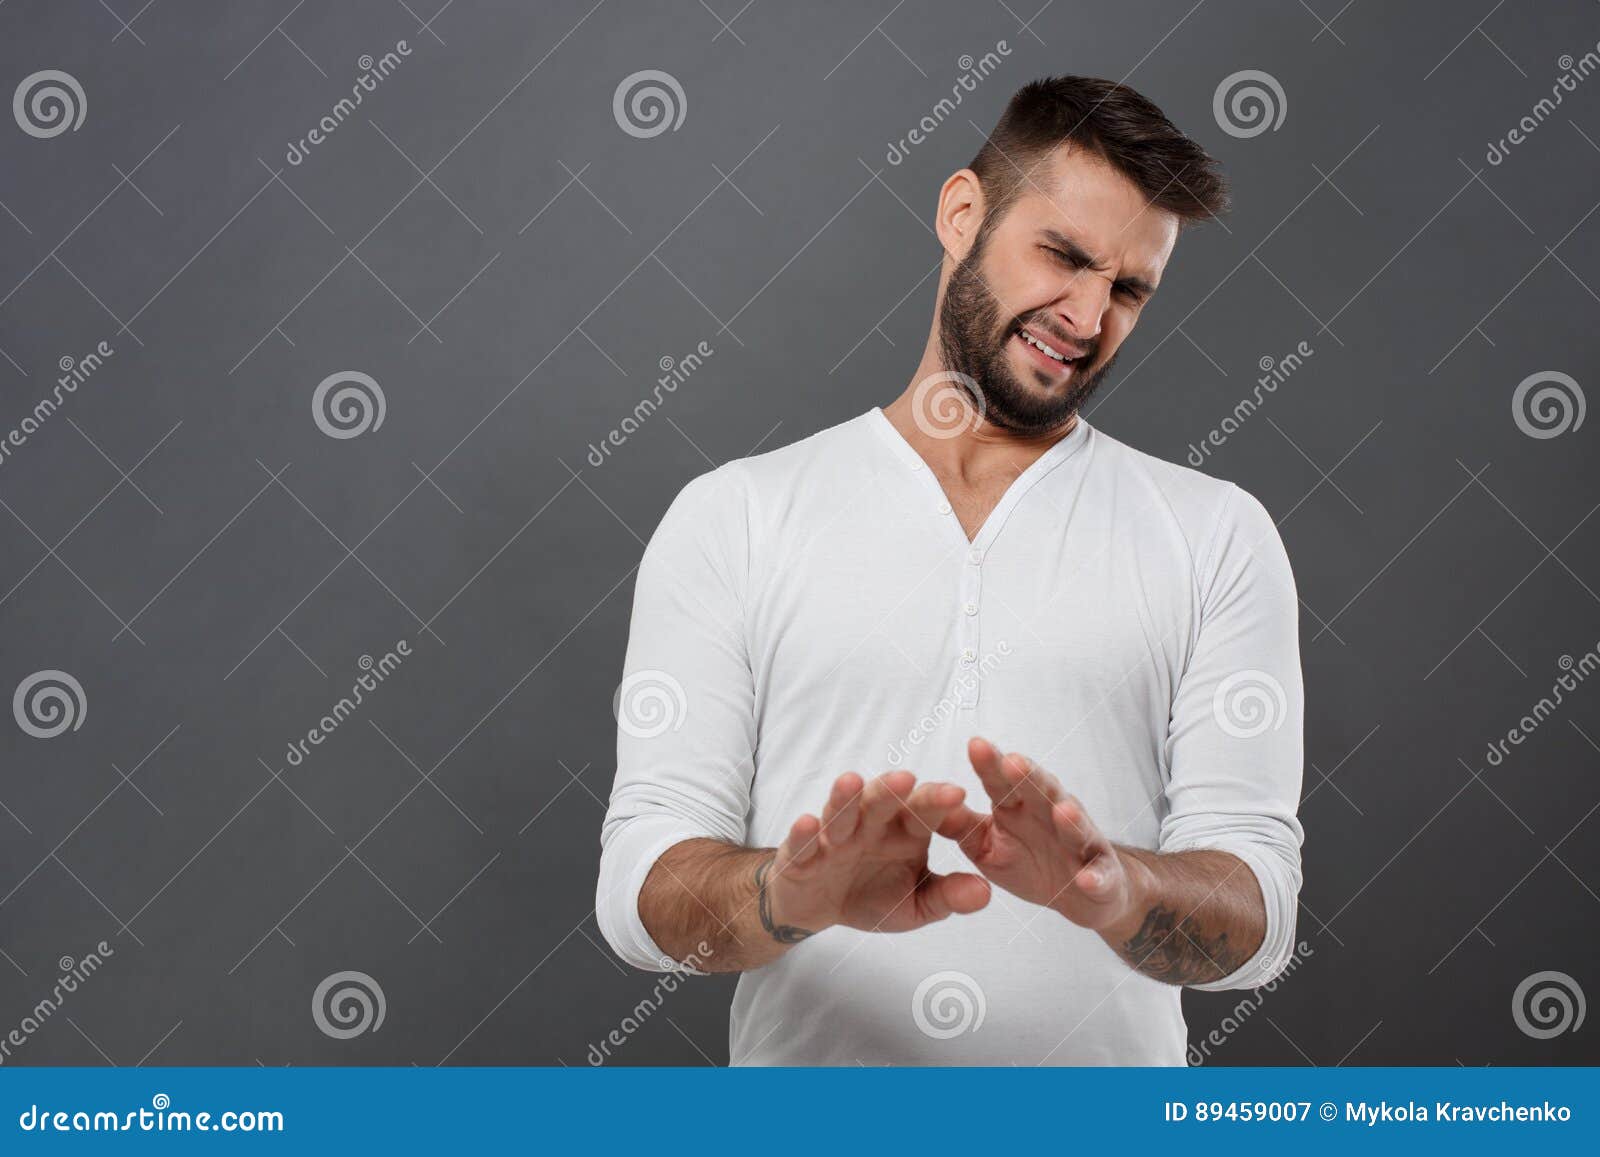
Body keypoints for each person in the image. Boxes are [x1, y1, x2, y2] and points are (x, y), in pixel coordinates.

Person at [596, 75, 1305, 1065]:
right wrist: (787, 893)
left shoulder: (1216, 534)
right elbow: (642, 888)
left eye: (1129, 288)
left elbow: (1258, 915)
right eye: (1063, 254)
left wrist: (1117, 889)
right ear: (962, 212)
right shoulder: (737, 517)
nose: (1089, 313)